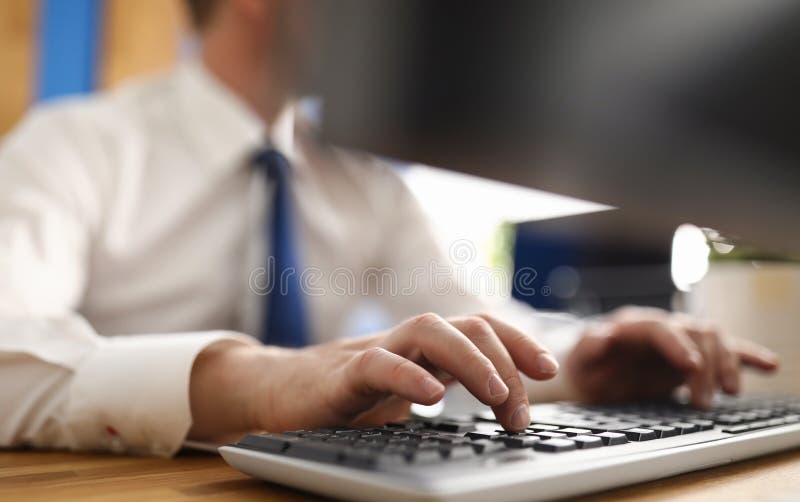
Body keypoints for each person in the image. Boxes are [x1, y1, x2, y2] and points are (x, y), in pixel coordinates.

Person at [0, 0, 778, 456]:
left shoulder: (361, 180)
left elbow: (470, 321)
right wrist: (261, 383)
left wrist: (584, 358)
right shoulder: (72, 147)